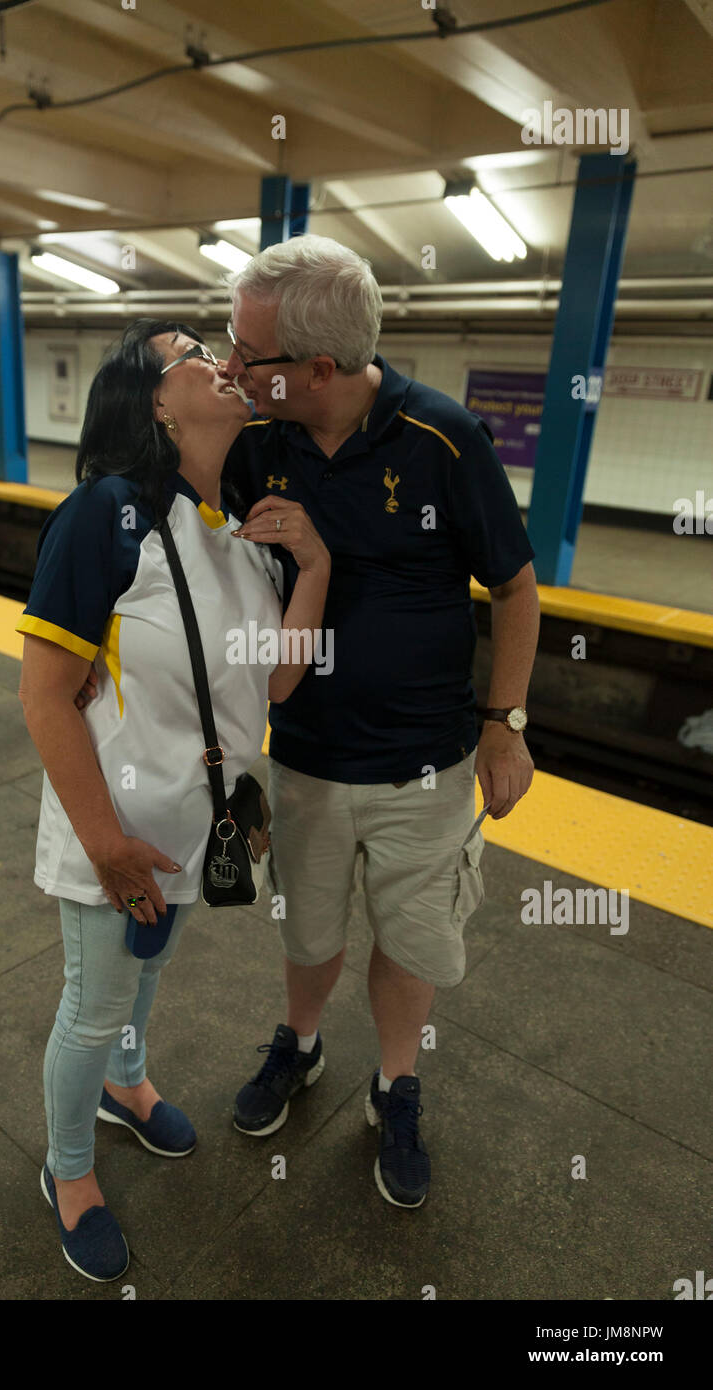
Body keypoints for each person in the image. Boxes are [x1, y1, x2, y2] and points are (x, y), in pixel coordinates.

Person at [220, 234, 539, 1209]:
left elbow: (515, 588)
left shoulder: (442, 440)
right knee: (309, 929)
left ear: (317, 369)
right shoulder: (256, 445)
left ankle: (394, 1083)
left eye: (248, 357)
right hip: (307, 760)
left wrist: (505, 722)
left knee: (407, 939)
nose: (231, 370)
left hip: (424, 769)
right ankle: (301, 1045)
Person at [17, 319, 329, 1280]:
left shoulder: (238, 539)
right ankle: (69, 1174)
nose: (224, 365)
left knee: (145, 982)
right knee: (95, 997)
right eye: (194, 357)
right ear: (155, 403)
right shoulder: (103, 517)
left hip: (196, 833)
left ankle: (127, 1082)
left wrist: (314, 566)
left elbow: (278, 686)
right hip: (114, 838)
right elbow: (41, 694)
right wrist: (104, 840)